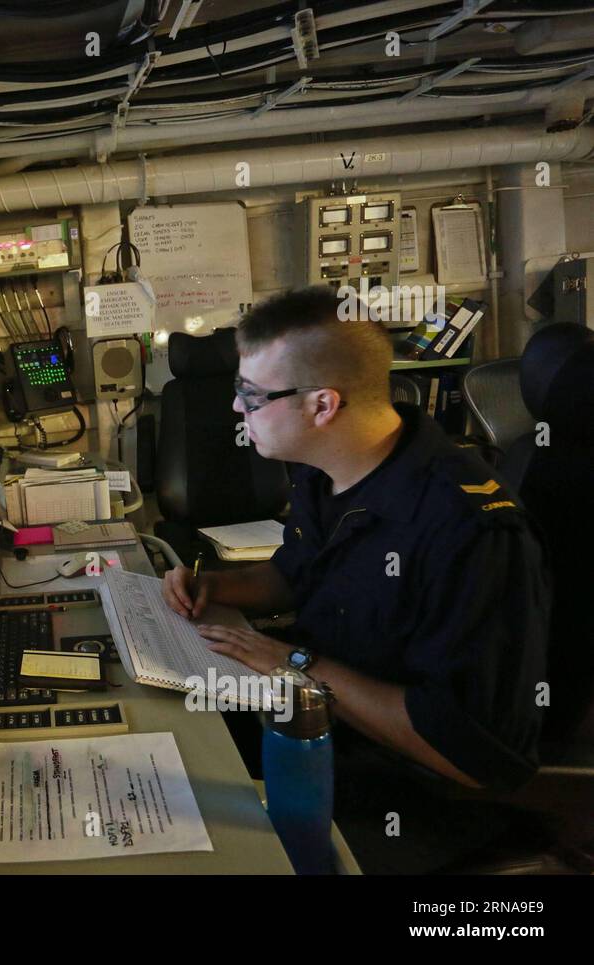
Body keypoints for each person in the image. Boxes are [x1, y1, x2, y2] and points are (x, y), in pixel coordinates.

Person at [161, 286, 551, 873]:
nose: (236, 410)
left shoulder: (468, 531)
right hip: (319, 718)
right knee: (164, 747)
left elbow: (470, 753)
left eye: (250, 395)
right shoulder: (326, 472)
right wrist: (213, 586)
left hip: (409, 787)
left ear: (322, 405)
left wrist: (294, 666)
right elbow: (294, 578)